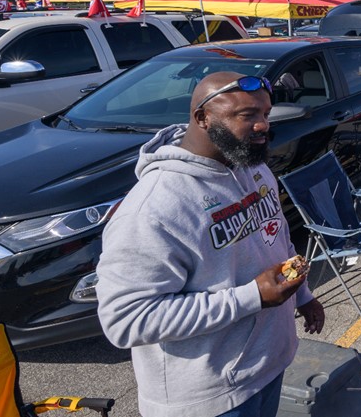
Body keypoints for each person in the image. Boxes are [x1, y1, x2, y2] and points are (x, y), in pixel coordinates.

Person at [96, 72, 325, 417]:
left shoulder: (253, 167)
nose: (262, 125)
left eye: (265, 113)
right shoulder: (154, 207)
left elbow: (275, 235)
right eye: (246, 115)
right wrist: (251, 297)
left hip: (267, 368)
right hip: (208, 400)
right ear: (202, 118)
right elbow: (126, 320)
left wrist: (303, 294)